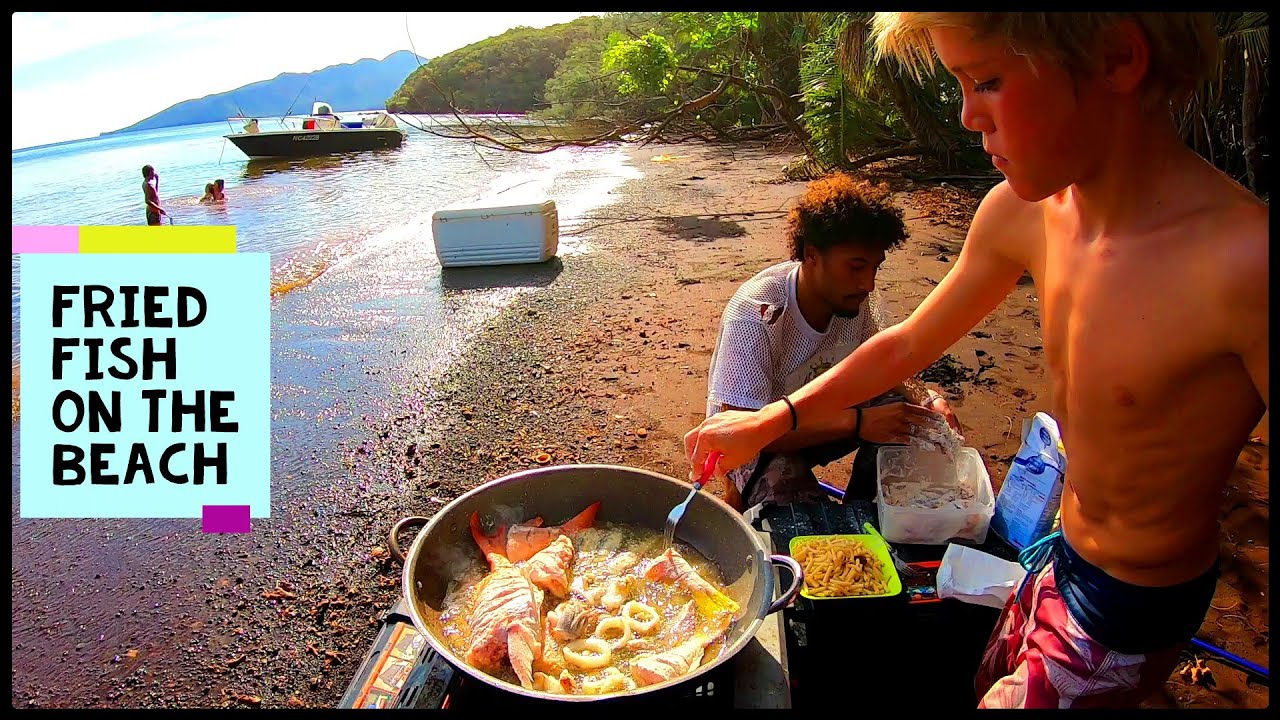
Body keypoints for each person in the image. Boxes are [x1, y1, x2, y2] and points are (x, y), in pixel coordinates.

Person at [682, 12, 1267, 709]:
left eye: (986, 81)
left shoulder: (1241, 266)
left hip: (1132, 602)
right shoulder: (1023, 215)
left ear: (1116, 57)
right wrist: (768, 420)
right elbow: (904, 344)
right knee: (973, 678)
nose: (966, 116)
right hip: (1057, 555)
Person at [704, 172, 960, 512]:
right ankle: (754, 497)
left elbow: (890, 365)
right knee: (804, 522)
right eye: (855, 267)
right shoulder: (757, 313)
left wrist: (928, 400)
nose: (868, 283)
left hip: (823, 416)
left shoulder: (857, 302)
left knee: (916, 421)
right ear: (811, 256)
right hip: (759, 441)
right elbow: (740, 430)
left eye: (874, 268)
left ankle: (866, 508)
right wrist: (858, 423)